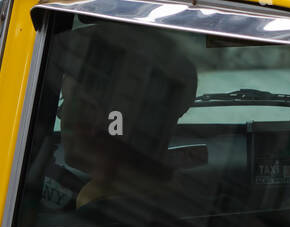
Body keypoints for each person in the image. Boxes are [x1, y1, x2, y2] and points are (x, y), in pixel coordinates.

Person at [50, 20, 198, 209]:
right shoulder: (175, 195)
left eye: (64, 106)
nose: (63, 117)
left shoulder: (94, 202)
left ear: (91, 119)